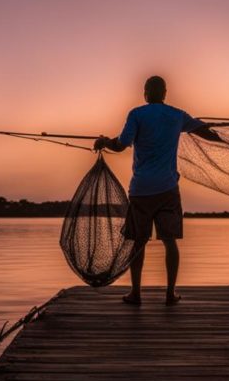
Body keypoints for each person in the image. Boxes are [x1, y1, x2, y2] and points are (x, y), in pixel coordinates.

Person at [94, 75, 222, 306]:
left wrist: (103, 141)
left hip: (141, 189)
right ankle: (170, 294)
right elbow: (203, 131)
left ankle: (136, 294)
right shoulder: (177, 115)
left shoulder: (136, 114)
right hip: (168, 189)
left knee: (138, 242)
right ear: (164, 93)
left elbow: (120, 144)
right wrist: (215, 132)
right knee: (170, 241)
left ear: (146, 93)